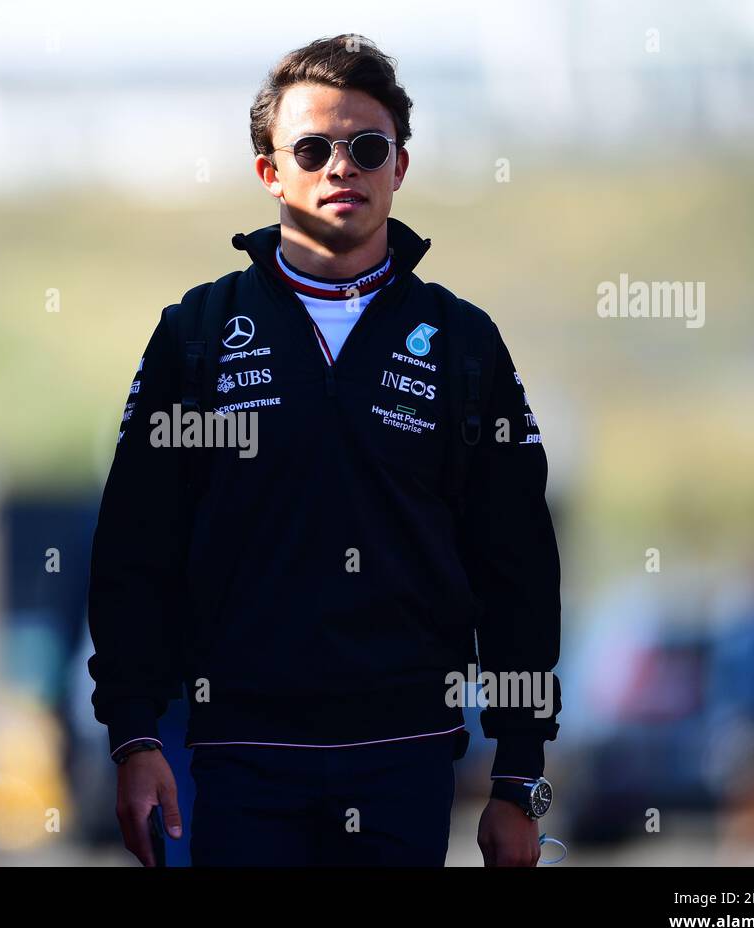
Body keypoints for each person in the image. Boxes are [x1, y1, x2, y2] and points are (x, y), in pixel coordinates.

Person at [87, 34, 562, 866]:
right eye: (313, 148)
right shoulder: (195, 335)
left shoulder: (463, 343)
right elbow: (135, 549)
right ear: (270, 171)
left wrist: (520, 777)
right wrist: (134, 737)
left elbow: (517, 567)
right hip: (236, 759)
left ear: (399, 169)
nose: (341, 166)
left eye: (366, 148)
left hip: (408, 755)